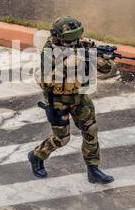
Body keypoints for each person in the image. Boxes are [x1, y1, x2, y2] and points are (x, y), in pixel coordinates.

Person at [28, 16, 115, 184]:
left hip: (79, 96)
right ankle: (37, 155)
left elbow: (108, 69)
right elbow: (47, 82)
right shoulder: (49, 51)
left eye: (77, 38)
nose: (75, 42)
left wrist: (98, 59)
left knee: (91, 130)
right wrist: (66, 65)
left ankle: (93, 169)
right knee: (62, 139)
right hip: (57, 100)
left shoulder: (83, 45)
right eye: (71, 39)